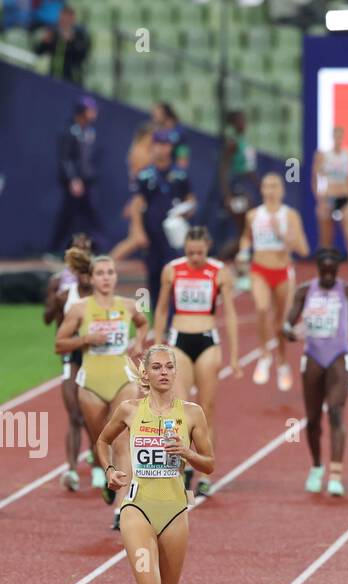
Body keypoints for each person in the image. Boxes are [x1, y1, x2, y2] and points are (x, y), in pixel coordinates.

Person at [94, 343, 215, 584]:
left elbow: (209, 464)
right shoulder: (131, 410)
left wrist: (187, 453)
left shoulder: (192, 415)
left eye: (169, 366)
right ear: (144, 374)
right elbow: (103, 440)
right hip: (137, 508)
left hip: (176, 510)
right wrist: (110, 471)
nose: (164, 372)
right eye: (157, 367)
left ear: (176, 373)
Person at [56, 255, 148, 530]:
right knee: (101, 443)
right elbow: (59, 344)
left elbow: (143, 323)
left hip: (122, 379)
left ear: (115, 277)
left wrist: (139, 342)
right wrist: (86, 339)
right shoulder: (79, 309)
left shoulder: (129, 305)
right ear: (91, 278)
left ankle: (122, 507)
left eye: (110, 272)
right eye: (101, 273)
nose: (106, 277)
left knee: (122, 441)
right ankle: (106, 474)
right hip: (92, 383)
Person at [152, 226, 241, 497]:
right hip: (179, 340)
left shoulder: (219, 272)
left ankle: (203, 473)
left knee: (206, 410)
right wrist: (157, 348)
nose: (194, 257)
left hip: (206, 341)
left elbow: (231, 314)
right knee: (178, 412)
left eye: (199, 253)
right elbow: (162, 308)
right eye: (190, 252)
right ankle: (179, 470)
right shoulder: (172, 270)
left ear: (208, 247)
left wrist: (235, 356)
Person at [283, 248, 348, 496]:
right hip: (313, 358)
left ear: (337, 270)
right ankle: (316, 467)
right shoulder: (304, 291)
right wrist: (288, 331)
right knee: (313, 420)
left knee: (336, 412)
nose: (327, 275)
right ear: (318, 269)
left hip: (338, 357)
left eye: (331, 271)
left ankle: (336, 475)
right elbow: (289, 321)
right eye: (323, 271)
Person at [238, 171, 309, 391]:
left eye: (274, 186)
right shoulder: (253, 215)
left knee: (280, 322)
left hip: (283, 271)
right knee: (261, 308)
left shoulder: (290, 216)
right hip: (259, 269)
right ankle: (264, 354)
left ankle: (282, 361)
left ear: (282, 190)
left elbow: (303, 250)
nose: (270, 190)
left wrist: (283, 236)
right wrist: (243, 251)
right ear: (262, 190)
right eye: (266, 186)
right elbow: (247, 237)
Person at [44, 236, 94, 492]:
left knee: (96, 416)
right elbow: (47, 319)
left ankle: (98, 462)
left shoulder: (100, 284)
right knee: (75, 413)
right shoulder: (60, 285)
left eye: (85, 250)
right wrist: (55, 297)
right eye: (77, 251)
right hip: (71, 354)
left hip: (97, 355)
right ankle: (72, 469)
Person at [131, 129, 196, 311]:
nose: (162, 148)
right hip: (152, 233)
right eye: (159, 144)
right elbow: (137, 204)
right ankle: (154, 319)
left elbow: (190, 199)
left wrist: (186, 211)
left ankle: (173, 318)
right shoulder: (144, 175)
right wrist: (138, 231)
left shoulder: (180, 174)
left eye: (166, 144)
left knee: (175, 273)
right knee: (153, 274)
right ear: (154, 146)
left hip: (173, 236)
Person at [313, 126, 348, 289]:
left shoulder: (347, 154)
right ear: (332, 136)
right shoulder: (323, 155)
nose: (338, 138)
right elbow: (315, 180)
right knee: (326, 242)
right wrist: (320, 200)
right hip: (328, 198)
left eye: (340, 136)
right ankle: (323, 276)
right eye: (336, 135)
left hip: (344, 198)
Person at [49, 97, 100, 254]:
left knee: (87, 216)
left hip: (87, 180)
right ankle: (56, 249)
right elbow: (66, 158)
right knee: (68, 215)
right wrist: (73, 179)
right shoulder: (69, 131)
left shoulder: (90, 131)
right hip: (74, 181)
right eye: (90, 110)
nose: (94, 114)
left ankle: (87, 247)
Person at [216, 110, 259, 261]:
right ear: (234, 123)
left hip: (244, 187)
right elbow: (224, 169)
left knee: (246, 233)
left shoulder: (243, 140)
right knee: (244, 233)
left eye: (245, 120)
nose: (244, 124)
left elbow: (249, 169)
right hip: (236, 190)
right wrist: (227, 195)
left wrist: (258, 184)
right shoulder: (232, 142)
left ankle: (237, 265)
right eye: (241, 120)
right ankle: (219, 260)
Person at [109, 122, 154, 264]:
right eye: (153, 136)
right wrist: (134, 203)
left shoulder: (143, 150)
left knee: (145, 240)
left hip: (143, 199)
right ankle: (104, 265)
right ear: (146, 136)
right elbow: (138, 182)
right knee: (136, 239)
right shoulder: (140, 152)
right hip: (141, 200)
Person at [34, 4, 90, 86]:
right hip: (50, 76)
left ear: (73, 19)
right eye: (63, 17)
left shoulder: (79, 35)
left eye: (68, 18)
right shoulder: (53, 33)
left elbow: (82, 56)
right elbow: (39, 52)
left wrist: (71, 41)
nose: (65, 20)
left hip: (70, 79)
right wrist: (44, 42)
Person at [151, 102, 190, 170]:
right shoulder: (156, 130)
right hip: (158, 170)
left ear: (165, 114)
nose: (153, 115)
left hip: (171, 170)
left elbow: (183, 152)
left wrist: (179, 170)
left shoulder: (179, 132)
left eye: (156, 113)